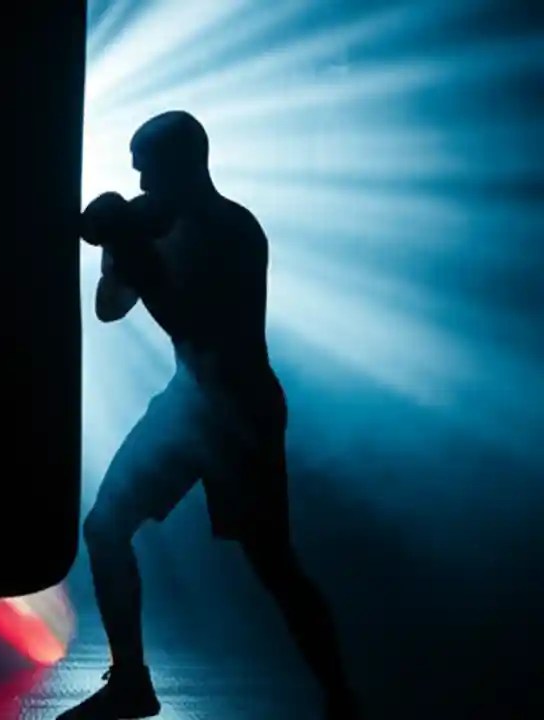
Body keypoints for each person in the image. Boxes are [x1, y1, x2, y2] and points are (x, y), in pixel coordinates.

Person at [61, 111, 360, 719]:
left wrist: (134, 247)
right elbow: (109, 310)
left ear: (180, 164)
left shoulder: (233, 230)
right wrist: (117, 251)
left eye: (147, 172)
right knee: (104, 527)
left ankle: (340, 698)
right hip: (190, 404)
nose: (140, 184)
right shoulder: (160, 225)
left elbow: (197, 322)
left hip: (237, 410)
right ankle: (131, 683)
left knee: (274, 565)